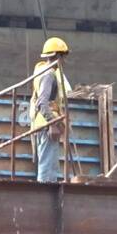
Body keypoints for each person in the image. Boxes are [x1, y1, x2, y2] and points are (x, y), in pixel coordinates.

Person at [30, 37, 71, 183]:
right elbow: (42, 102)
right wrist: (52, 123)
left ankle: (45, 196)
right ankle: (44, 199)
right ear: (56, 56)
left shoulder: (42, 71)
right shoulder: (48, 75)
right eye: (62, 56)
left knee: (49, 166)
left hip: (42, 125)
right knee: (47, 168)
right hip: (47, 127)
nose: (63, 61)